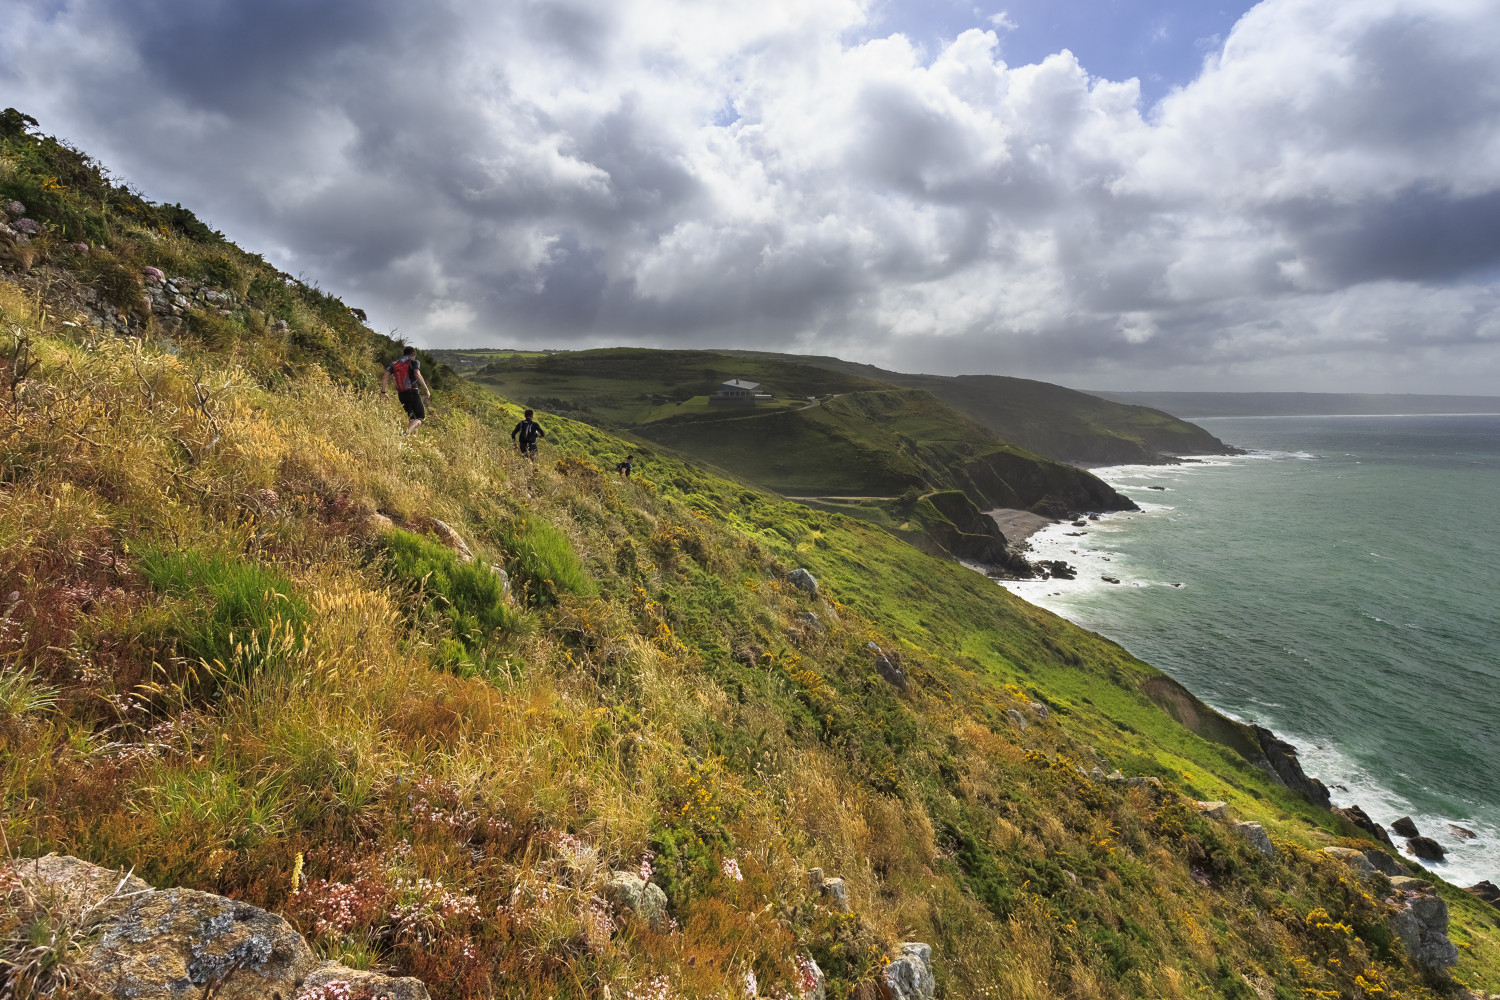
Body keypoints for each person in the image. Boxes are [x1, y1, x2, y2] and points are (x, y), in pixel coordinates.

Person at [381, 346, 432, 435]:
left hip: (401, 395)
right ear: (413, 354)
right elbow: (417, 374)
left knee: (412, 418)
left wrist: (383, 392)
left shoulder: (394, 364)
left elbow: (385, 377)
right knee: (420, 418)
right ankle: (405, 433)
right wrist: (426, 390)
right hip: (413, 392)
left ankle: (412, 438)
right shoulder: (414, 362)